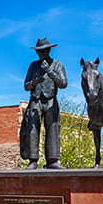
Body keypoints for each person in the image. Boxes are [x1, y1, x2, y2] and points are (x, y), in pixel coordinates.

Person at [19, 38, 68, 169]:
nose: (40, 54)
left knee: (53, 128)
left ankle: (52, 161)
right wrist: (34, 82)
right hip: (35, 100)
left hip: (51, 100)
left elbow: (63, 84)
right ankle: (33, 160)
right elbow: (26, 86)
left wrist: (50, 72)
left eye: (42, 51)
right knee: (32, 129)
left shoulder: (58, 65)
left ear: (48, 50)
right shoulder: (33, 65)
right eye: (38, 52)